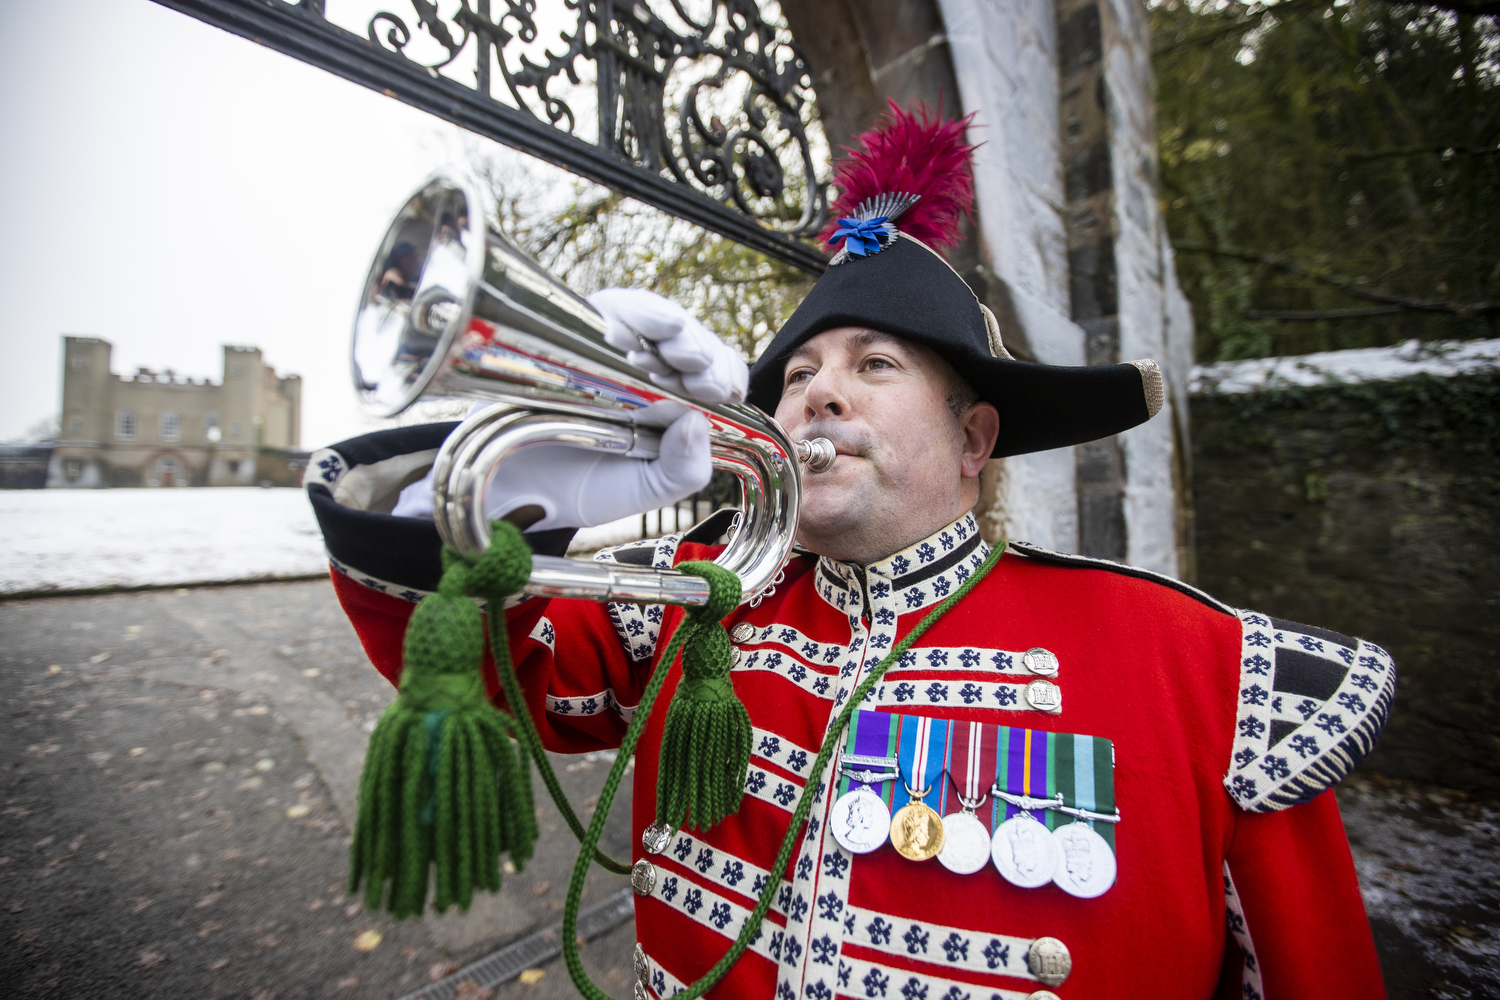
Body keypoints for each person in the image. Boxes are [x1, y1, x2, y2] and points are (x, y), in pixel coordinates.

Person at [307, 105, 1391, 999]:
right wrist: (518, 491)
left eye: (874, 363)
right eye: (796, 374)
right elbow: (485, 673)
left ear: (974, 440)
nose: (817, 391)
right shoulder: (698, 604)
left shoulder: (1194, 663)